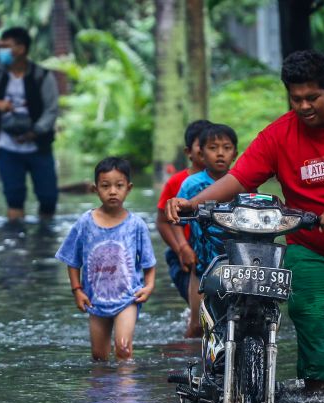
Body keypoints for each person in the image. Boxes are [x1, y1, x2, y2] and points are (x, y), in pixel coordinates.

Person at [166, 50, 324, 394]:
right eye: (296, 99)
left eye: (313, 97)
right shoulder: (278, 135)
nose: (304, 106)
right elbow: (238, 179)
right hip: (315, 254)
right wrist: (191, 202)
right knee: (322, 356)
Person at [56, 157, 156, 361]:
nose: (112, 191)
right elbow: (72, 260)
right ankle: (102, 392)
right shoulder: (85, 222)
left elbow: (148, 262)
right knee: (99, 356)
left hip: (128, 297)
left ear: (128, 188)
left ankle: (126, 391)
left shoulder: (136, 225)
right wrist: (77, 291)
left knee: (123, 349)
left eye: (119, 186)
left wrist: (149, 286)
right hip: (96, 298)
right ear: (95, 189)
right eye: (105, 186)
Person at [0, 26, 60, 223]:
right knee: (14, 198)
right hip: (7, 146)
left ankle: (44, 241)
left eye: (6, 46)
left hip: (39, 145)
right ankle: (16, 244)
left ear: (21, 48)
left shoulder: (42, 76)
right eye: (0, 46)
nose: (1, 50)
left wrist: (35, 131)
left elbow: (52, 110)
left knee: (48, 198)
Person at [173, 122, 238, 338]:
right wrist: (183, 247)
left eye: (226, 148)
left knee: (236, 322)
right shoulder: (191, 184)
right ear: (200, 152)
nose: (220, 153)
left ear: (236, 153)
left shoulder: (243, 184)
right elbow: (176, 221)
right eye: (213, 147)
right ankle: (191, 366)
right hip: (201, 266)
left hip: (236, 264)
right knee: (198, 325)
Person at [155, 120, 210, 303]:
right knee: (199, 308)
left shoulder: (229, 182)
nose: (209, 151)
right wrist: (180, 249)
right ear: (189, 152)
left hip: (215, 251)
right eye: (201, 146)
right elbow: (163, 221)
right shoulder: (177, 182)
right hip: (186, 253)